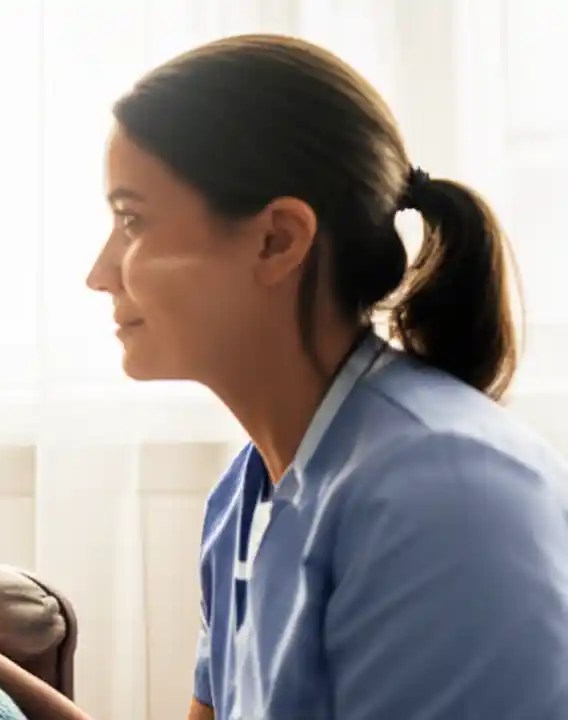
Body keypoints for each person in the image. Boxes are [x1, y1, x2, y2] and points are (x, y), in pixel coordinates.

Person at [86, 34, 568, 720]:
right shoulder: (243, 498)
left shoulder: (446, 493)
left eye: (132, 220)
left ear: (278, 239)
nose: (99, 273)